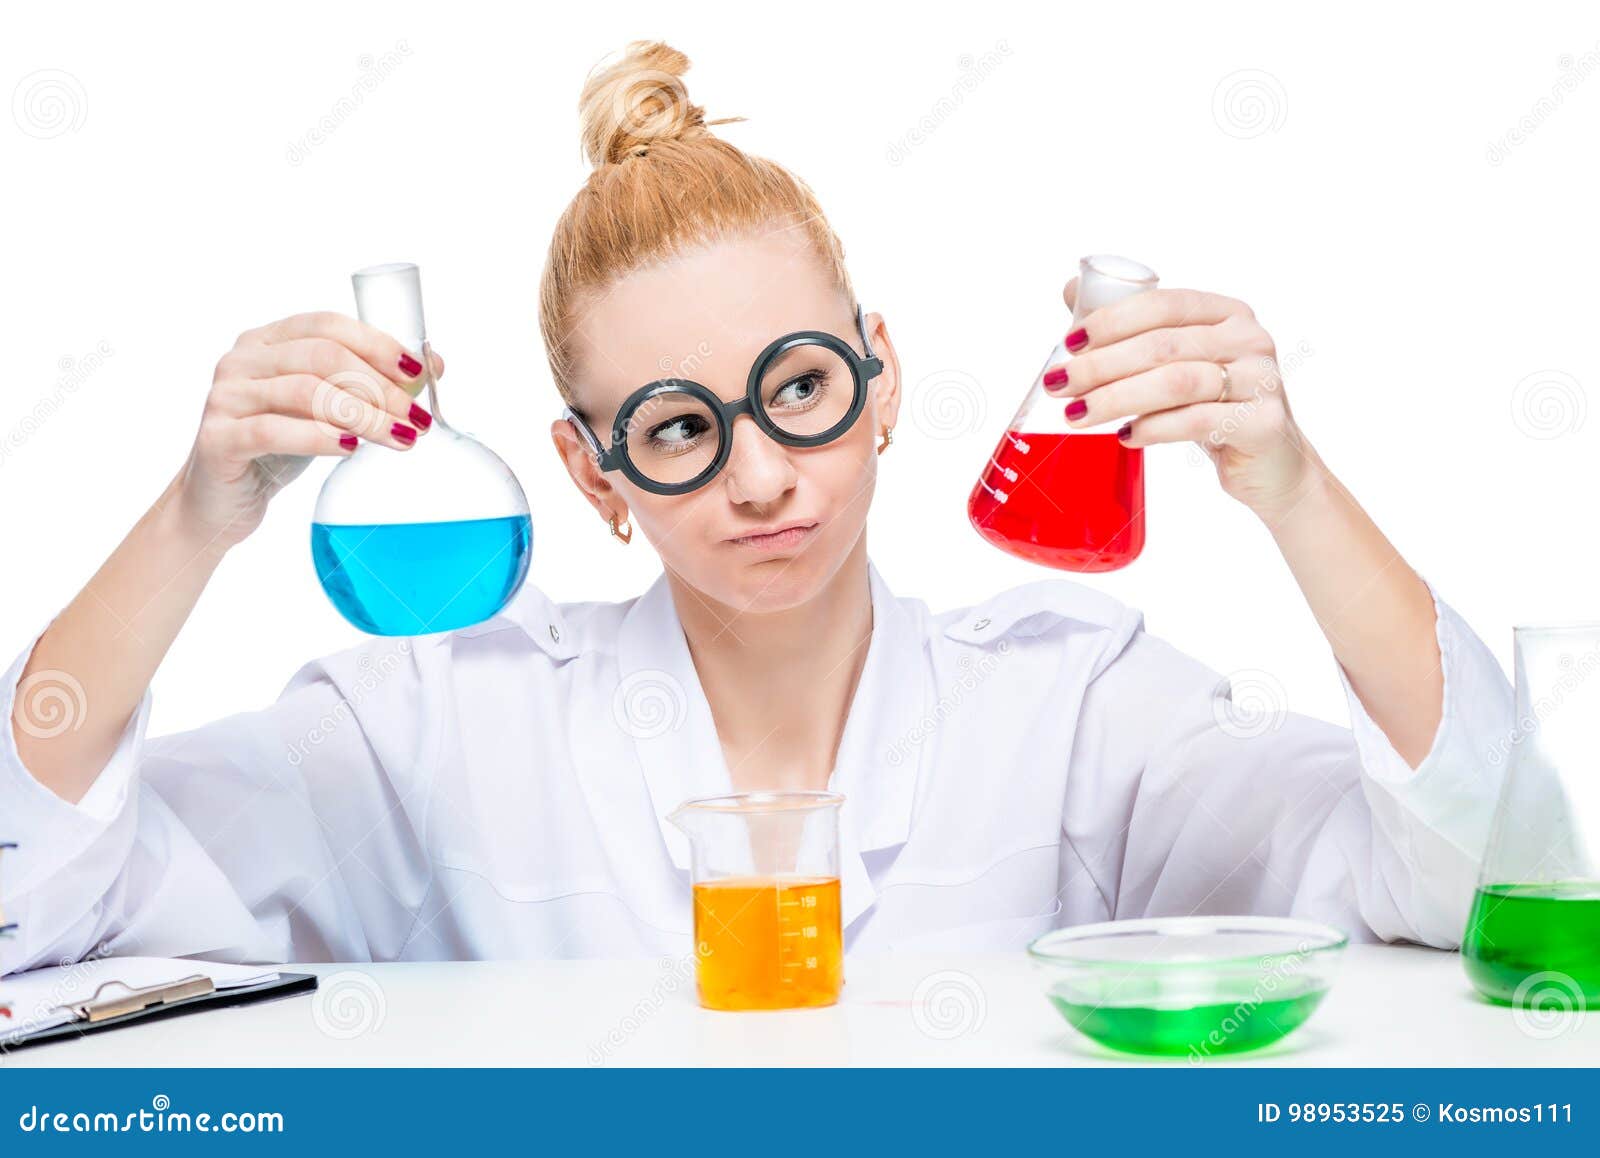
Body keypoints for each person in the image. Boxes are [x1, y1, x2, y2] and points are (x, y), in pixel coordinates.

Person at [1, 42, 1511, 969]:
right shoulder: (442, 721)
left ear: (882, 375)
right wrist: (196, 516)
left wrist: (1293, 490)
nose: (761, 474)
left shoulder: (1071, 700)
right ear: (590, 472)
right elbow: (38, 899)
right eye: (676, 427)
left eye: (798, 387)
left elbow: (1471, 879)